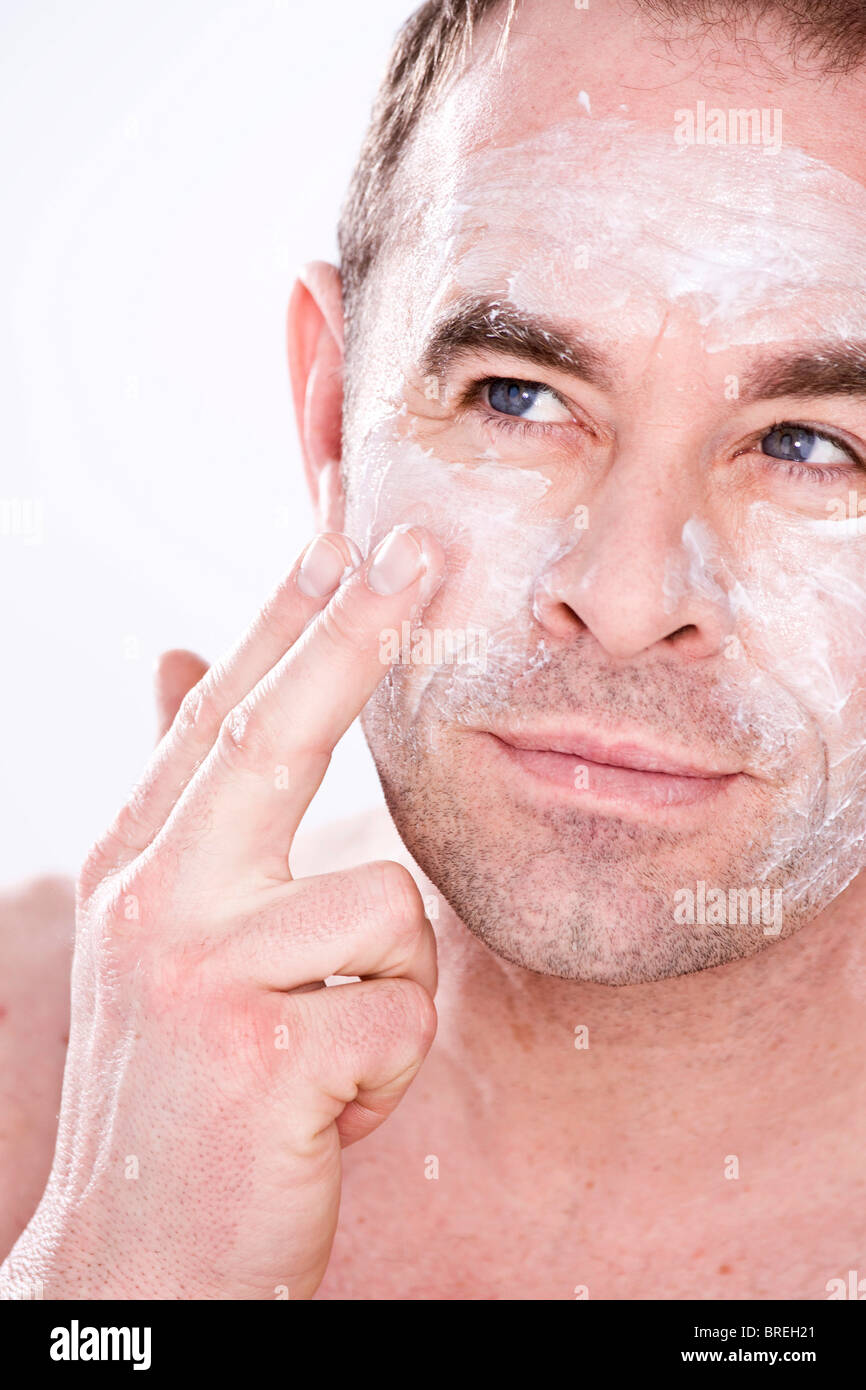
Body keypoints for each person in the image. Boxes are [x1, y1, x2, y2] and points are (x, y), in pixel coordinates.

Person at [3, 0, 866, 1300]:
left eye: (808, 443)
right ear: (333, 420)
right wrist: (118, 1283)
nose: (626, 601)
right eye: (516, 398)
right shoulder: (32, 1068)